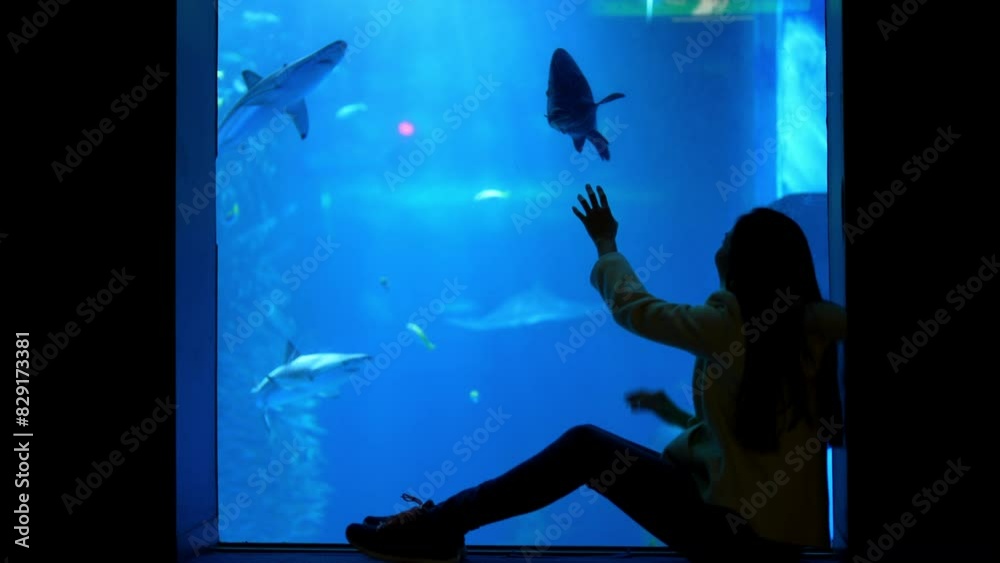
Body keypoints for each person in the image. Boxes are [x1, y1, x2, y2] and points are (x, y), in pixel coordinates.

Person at [345, 185, 847, 563]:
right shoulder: (817, 327)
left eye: (728, 240)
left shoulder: (732, 323)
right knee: (590, 449)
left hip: (729, 532)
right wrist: (673, 414)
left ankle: (439, 528)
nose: (719, 246)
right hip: (773, 541)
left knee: (585, 448)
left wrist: (607, 244)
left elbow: (636, 309)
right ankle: (440, 524)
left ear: (746, 263)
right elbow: (747, 438)